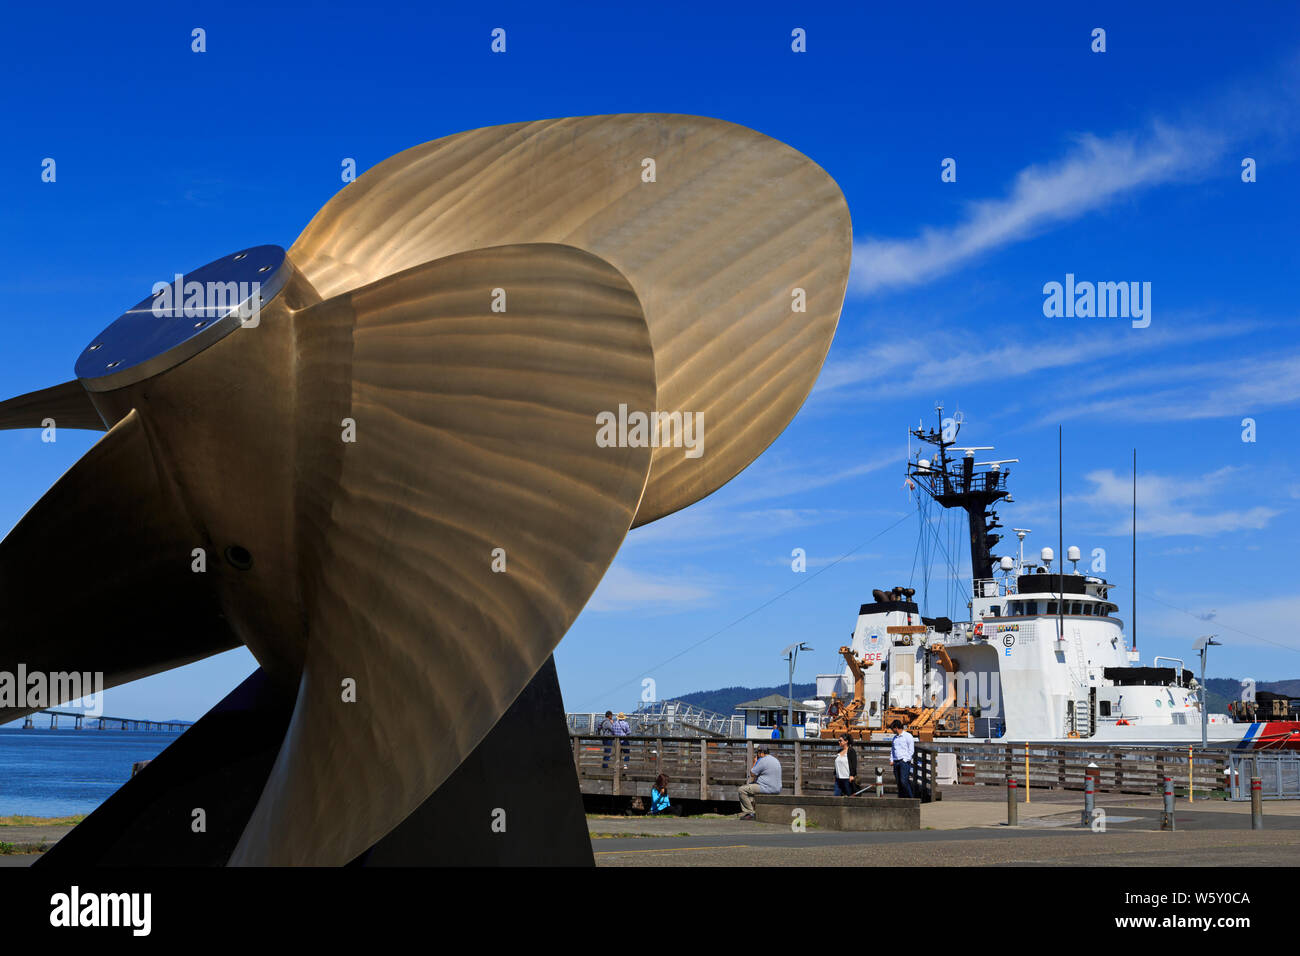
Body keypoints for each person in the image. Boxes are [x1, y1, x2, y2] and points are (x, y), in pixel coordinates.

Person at [738, 744, 782, 819]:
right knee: (751, 786)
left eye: (757, 753)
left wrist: (755, 761)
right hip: (777, 788)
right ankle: (754, 811)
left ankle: (750, 813)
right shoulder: (775, 759)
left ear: (761, 752)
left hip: (766, 788)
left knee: (742, 790)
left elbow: (752, 773)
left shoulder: (762, 760)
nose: (757, 755)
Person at [889, 720, 915, 798]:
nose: (892, 731)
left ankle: (911, 798)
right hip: (896, 762)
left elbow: (911, 750)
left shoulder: (908, 736)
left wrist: (905, 760)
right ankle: (901, 798)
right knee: (899, 783)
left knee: (904, 781)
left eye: (892, 729)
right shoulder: (895, 738)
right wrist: (891, 759)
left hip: (904, 762)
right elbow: (893, 750)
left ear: (896, 728)